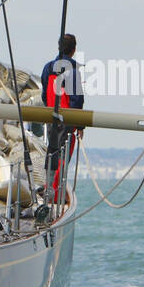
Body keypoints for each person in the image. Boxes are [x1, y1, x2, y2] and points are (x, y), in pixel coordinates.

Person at [41, 33, 84, 197]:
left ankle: (48, 188)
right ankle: (55, 192)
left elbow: (45, 94)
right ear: (74, 50)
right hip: (67, 121)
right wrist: (79, 125)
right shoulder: (73, 71)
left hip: (51, 117)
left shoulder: (47, 67)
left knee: (51, 153)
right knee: (63, 158)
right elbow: (76, 100)